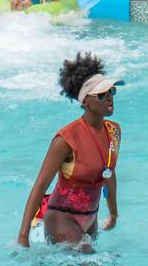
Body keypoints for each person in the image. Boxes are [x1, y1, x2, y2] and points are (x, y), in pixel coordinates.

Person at [17, 53, 122, 249]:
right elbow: (40, 185)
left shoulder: (114, 131)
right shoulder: (65, 139)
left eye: (111, 91)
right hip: (61, 218)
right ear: (85, 102)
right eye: (101, 95)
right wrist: (23, 236)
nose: (109, 97)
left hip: (91, 218)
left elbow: (110, 173)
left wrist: (114, 214)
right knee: (91, 265)